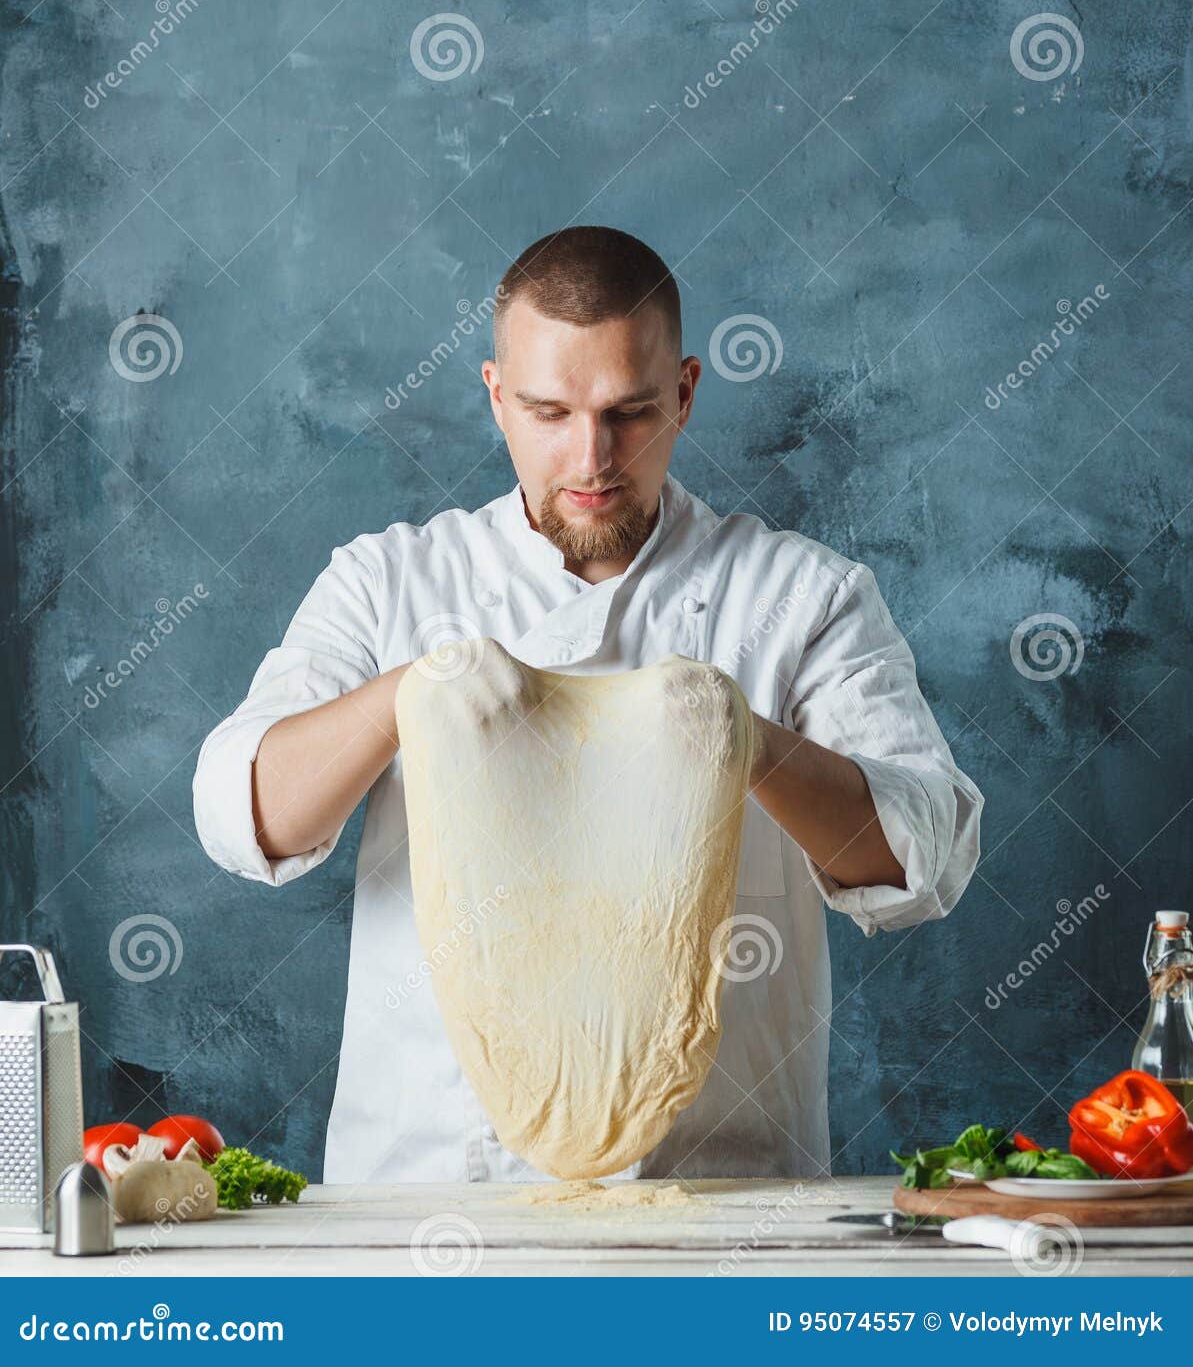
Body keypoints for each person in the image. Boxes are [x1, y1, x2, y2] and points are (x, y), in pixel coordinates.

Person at [193, 224, 982, 1183]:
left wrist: (746, 740)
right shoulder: (388, 581)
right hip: (433, 1195)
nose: (591, 456)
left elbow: (923, 855)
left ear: (686, 393)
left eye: (629, 412)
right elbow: (244, 816)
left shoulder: (800, 595)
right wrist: (412, 695)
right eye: (548, 412)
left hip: (718, 1197)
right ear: (495, 398)